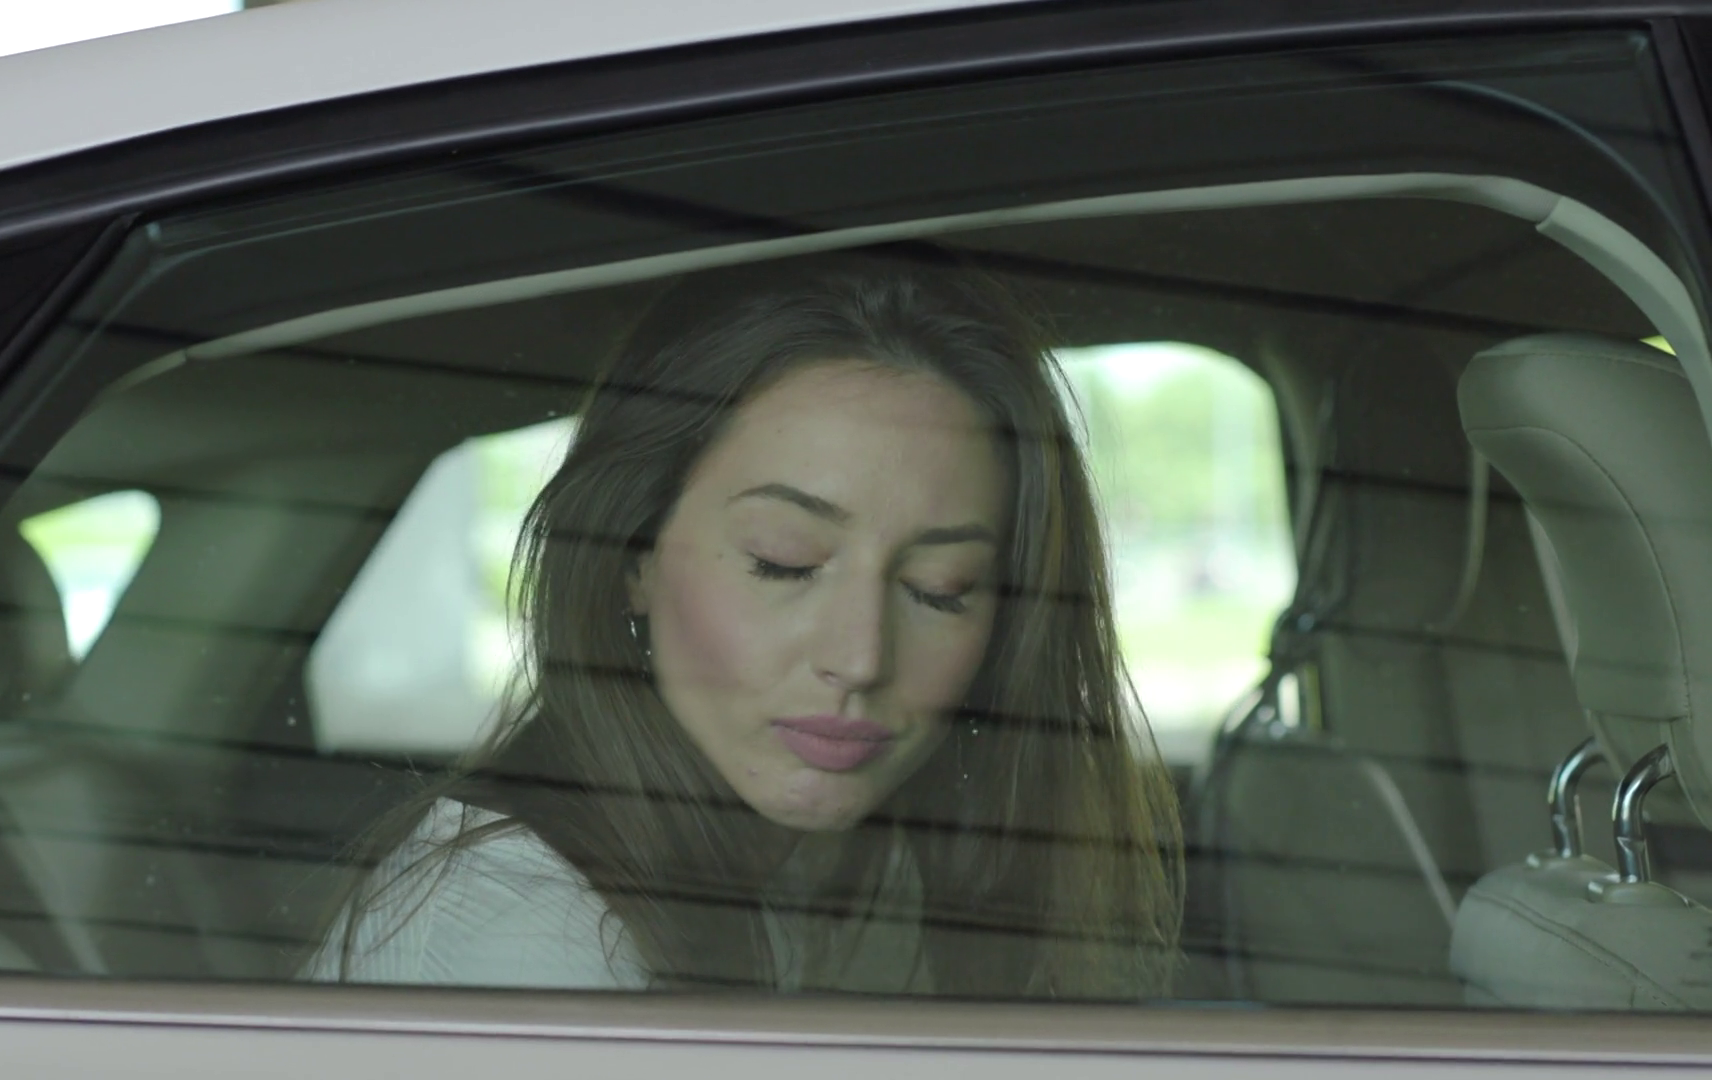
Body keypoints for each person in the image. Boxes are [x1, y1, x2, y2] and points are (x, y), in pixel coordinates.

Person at [305, 248, 1182, 998]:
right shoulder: (523, 941)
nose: (860, 657)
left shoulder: (833, 874)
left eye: (941, 588)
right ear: (630, 556)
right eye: (784, 562)